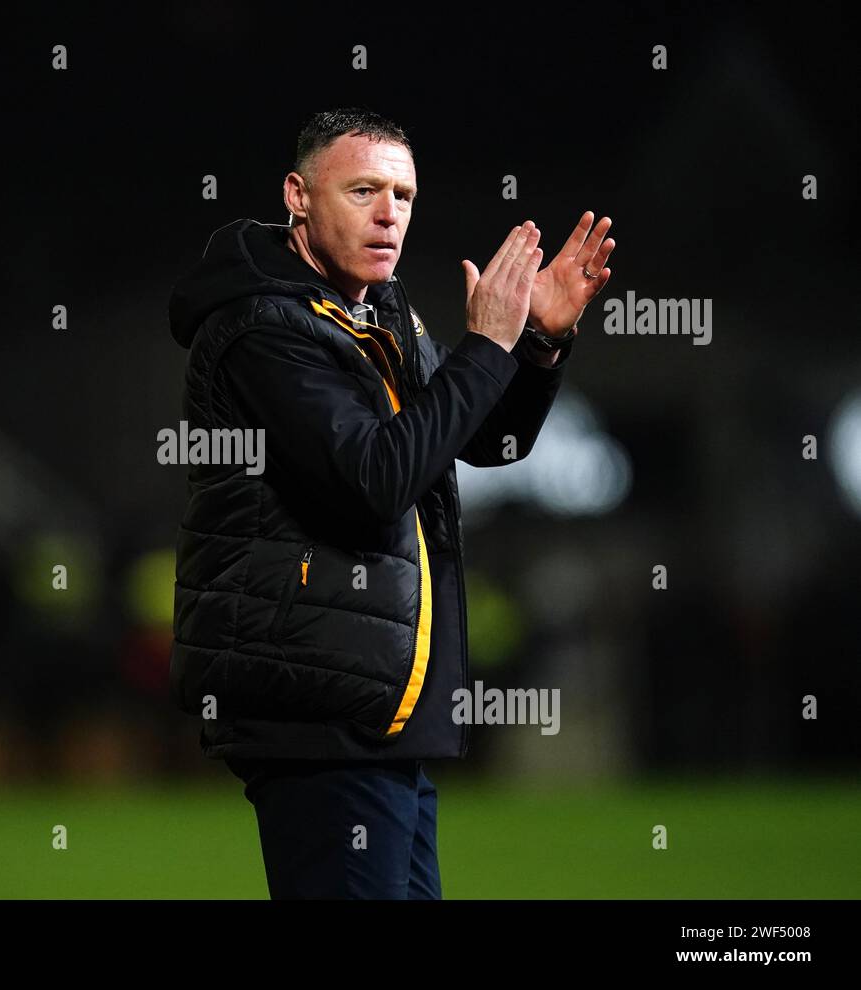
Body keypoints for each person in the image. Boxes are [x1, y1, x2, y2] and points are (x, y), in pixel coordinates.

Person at [167, 108, 616, 898]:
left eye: (404, 196)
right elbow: (374, 479)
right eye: (364, 190)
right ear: (297, 197)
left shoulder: (379, 313)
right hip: (319, 707)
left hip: (379, 704)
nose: (389, 215)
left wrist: (536, 345)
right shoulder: (260, 329)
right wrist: (484, 347)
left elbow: (483, 442)